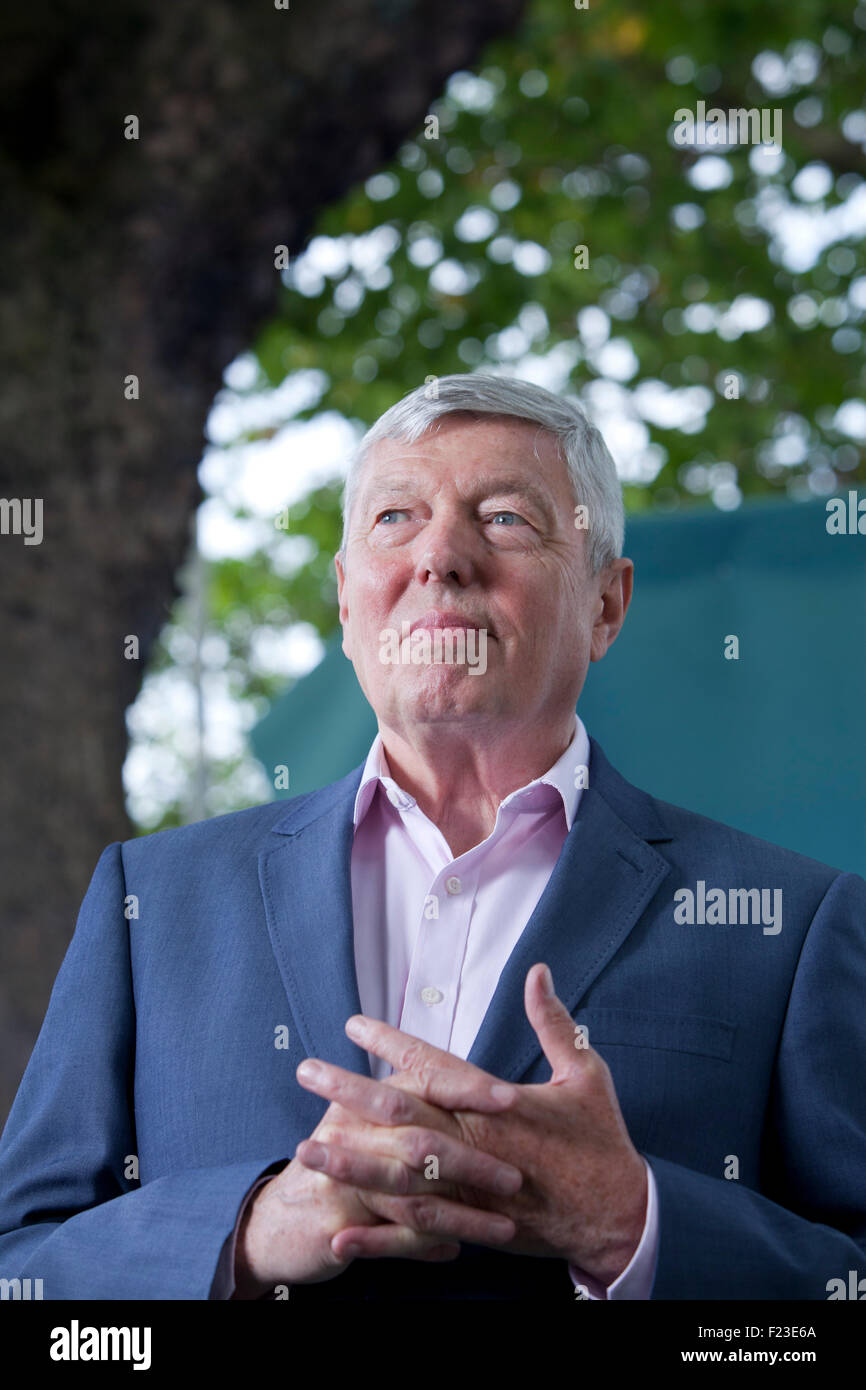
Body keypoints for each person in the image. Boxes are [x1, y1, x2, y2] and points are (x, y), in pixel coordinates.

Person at [1, 374, 864, 1302]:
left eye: (503, 519)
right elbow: (23, 1272)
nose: (442, 556)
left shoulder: (796, 920)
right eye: (394, 519)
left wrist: (632, 1223)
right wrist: (243, 1233)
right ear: (345, 600)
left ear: (606, 606)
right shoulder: (152, 899)